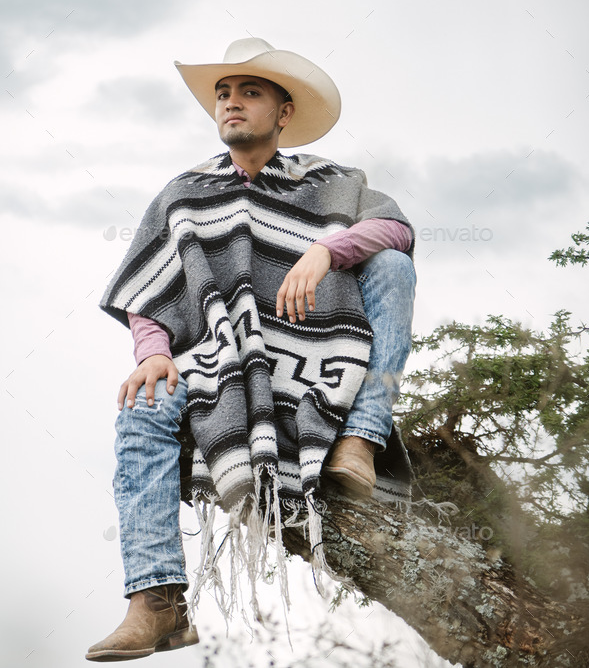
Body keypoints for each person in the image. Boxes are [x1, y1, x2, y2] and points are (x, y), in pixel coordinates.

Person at [86, 38, 416, 661]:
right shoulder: (185, 192)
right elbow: (149, 290)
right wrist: (152, 352)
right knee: (143, 405)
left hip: (315, 349)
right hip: (218, 357)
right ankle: (157, 603)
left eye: (250, 92)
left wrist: (325, 249)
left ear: (284, 114)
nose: (231, 103)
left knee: (393, 266)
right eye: (223, 93)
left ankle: (360, 441)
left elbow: (397, 228)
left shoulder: (330, 184)